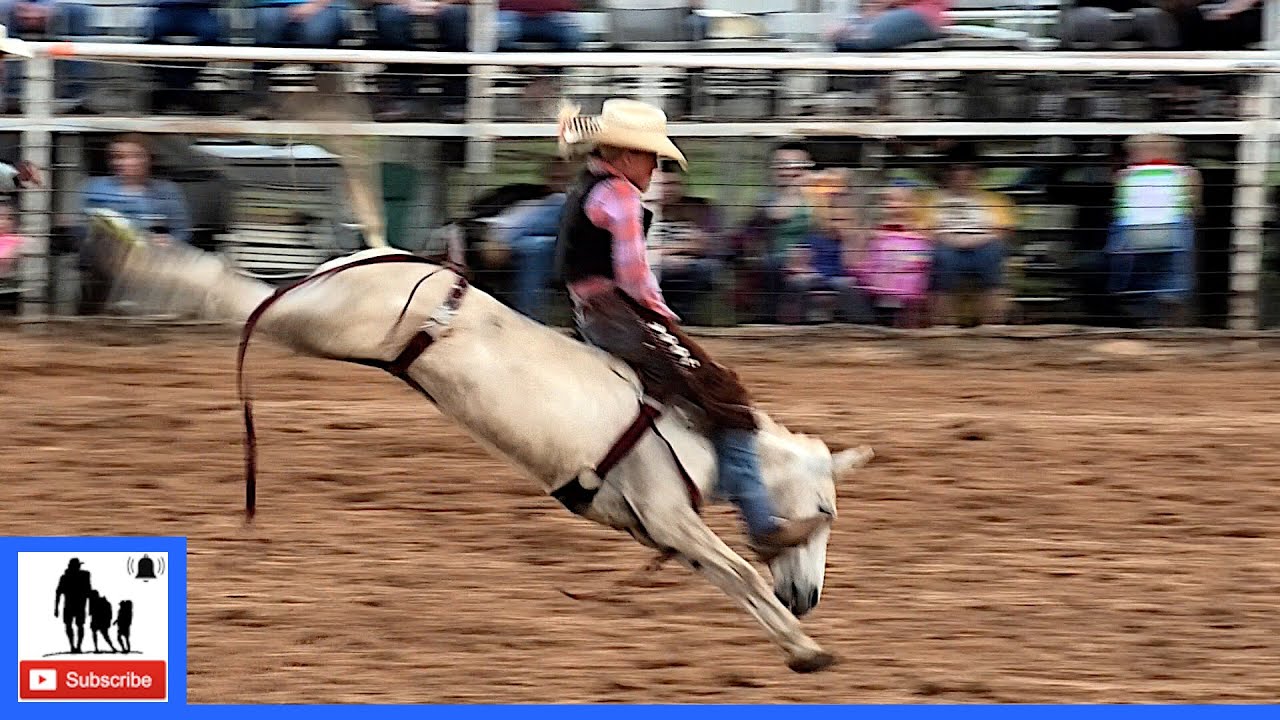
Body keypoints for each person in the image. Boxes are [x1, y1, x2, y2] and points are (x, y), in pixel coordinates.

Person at [553, 99, 829, 560]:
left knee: (677, 391)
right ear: (627, 155)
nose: (655, 169)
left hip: (592, 313)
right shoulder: (620, 196)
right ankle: (761, 524)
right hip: (619, 316)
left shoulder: (590, 186)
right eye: (652, 158)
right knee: (726, 398)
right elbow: (634, 275)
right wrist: (663, 319)